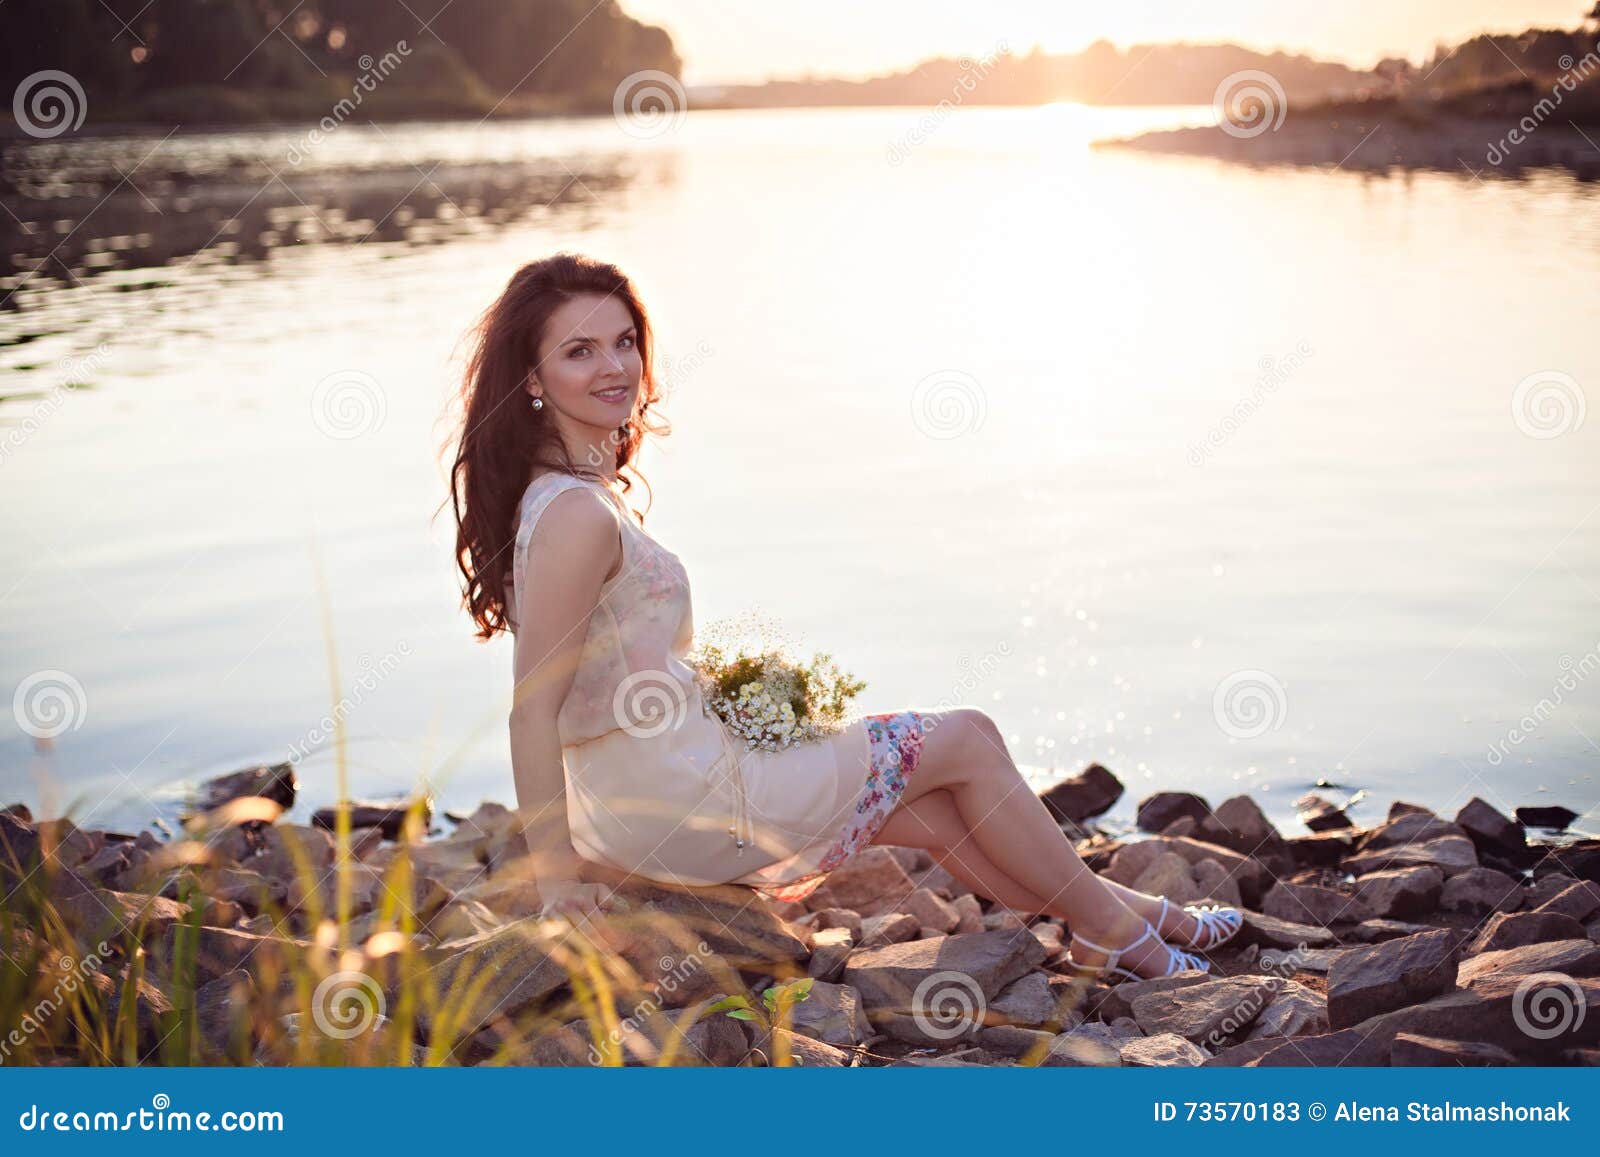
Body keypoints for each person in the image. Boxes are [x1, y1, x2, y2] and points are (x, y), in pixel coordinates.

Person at [446, 253, 1241, 983]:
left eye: (623, 341)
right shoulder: (576, 515)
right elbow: (533, 704)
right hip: (677, 794)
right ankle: (1129, 938)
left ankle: (1128, 917)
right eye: (579, 351)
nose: (615, 366)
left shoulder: (566, 497)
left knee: (933, 812)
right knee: (964, 735)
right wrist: (557, 877)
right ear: (533, 377)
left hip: (650, 788)